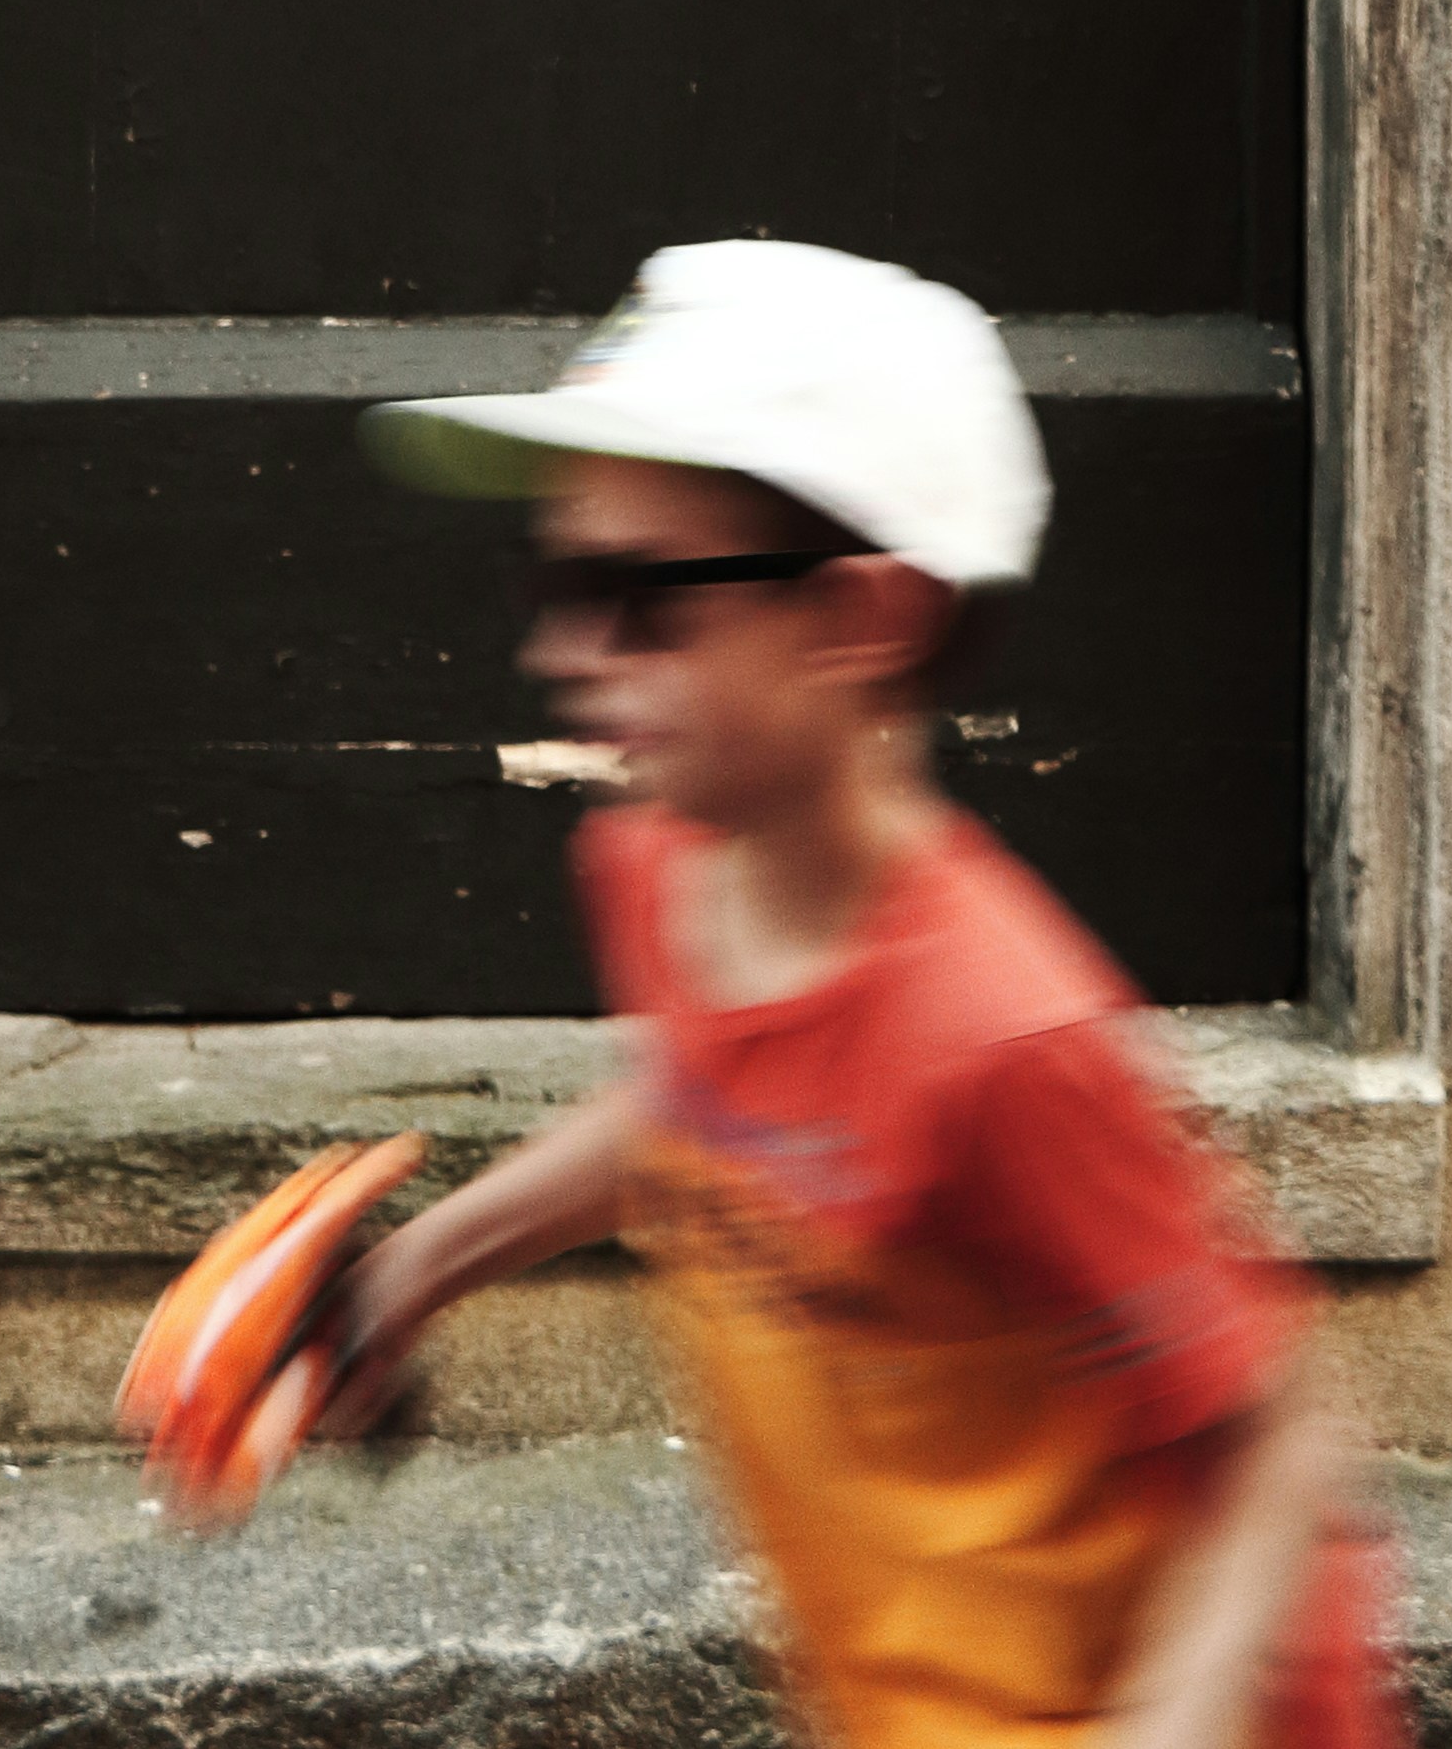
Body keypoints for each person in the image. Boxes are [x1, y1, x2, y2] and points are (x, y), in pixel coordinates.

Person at [333, 238, 1396, 1749]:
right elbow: (711, 1109)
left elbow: (1277, 1446)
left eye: (638, 598)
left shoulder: (1004, 1044)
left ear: (862, 621)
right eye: (554, 579)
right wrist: (420, 1267)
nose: (559, 650)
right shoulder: (657, 871)